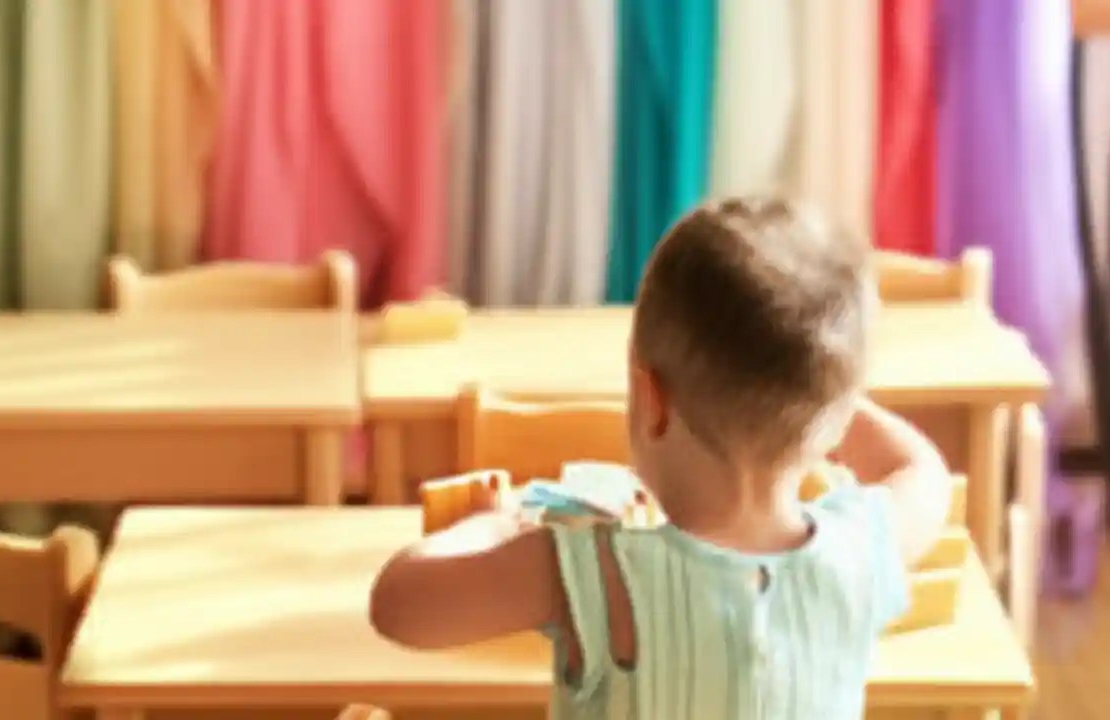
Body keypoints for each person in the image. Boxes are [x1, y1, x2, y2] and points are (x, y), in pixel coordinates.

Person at [369, 197, 951, 719]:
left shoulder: (593, 572)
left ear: (651, 403)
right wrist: (819, 399)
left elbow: (397, 603)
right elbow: (922, 470)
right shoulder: (862, 549)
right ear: (833, 417)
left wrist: (490, 526)